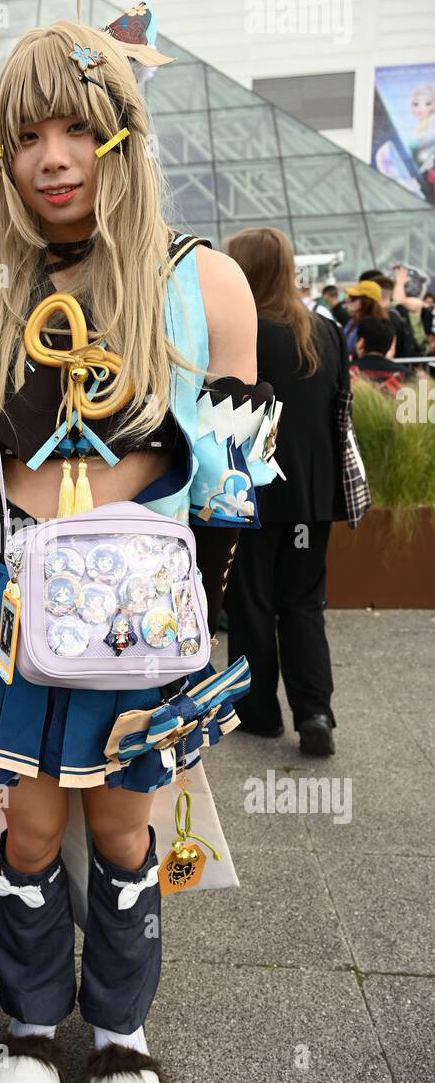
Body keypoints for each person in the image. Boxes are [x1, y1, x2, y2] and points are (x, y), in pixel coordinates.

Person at [0, 8, 281, 1083]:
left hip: (149, 629)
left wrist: (208, 651)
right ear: (4, 157)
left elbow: (233, 498)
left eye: (77, 129)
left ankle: (120, 1029)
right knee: (31, 833)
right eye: (26, 136)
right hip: (19, 625)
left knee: (121, 831)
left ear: (122, 135)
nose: (53, 158)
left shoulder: (206, 288)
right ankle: (28, 1016)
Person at [223, 227, 350, 758]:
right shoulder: (323, 331)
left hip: (250, 495)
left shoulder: (240, 333)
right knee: (303, 603)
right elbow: (339, 415)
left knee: (249, 601)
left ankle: (260, 712)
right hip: (311, 501)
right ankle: (314, 710)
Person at [342, 279, 389, 356]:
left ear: (367, 301)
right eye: (349, 297)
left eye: (353, 298)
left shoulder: (377, 327)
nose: (348, 301)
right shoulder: (351, 322)